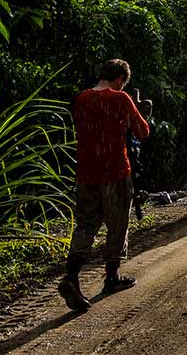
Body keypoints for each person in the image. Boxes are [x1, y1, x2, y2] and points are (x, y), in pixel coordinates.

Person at [58, 58, 151, 312]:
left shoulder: (81, 99)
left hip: (86, 173)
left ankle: (72, 276)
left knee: (86, 225)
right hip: (116, 172)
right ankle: (111, 277)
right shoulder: (120, 99)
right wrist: (138, 110)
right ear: (120, 79)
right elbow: (142, 132)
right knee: (117, 223)